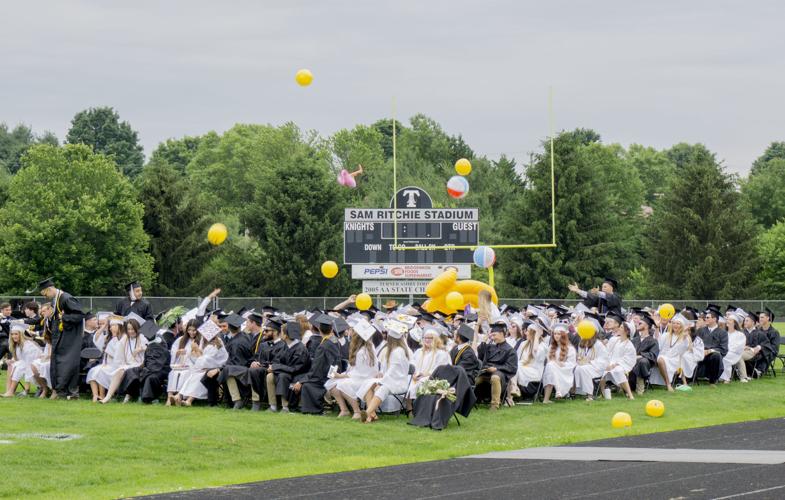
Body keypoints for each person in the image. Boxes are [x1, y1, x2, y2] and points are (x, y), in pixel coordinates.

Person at [30, 278, 85, 399]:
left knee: (67, 364)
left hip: (70, 338)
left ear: (49, 289)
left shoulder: (66, 298)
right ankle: (61, 391)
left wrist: (64, 317)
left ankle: (71, 392)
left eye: (45, 294)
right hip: (61, 337)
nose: (45, 297)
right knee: (59, 364)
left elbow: (80, 315)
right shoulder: (56, 299)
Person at [358, 324, 411, 423]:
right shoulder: (391, 351)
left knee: (383, 388)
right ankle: (372, 415)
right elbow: (386, 369)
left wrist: (381, 382)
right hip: (390, 380)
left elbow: (393, 371)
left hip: (398, 382)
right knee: (369, 384)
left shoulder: (398, 351)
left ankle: (368, 412)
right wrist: (381, 374)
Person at [292, 316, 343, 414]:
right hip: (333, 373)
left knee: (306, 384)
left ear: (319, 329)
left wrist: (302, 381)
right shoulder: (335, 342)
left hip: (324, 377)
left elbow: (316, 369)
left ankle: (312, 410)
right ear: (331, 329)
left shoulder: (323, 346)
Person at [332, 322, 378, 420]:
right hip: (366, 377)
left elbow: (358, 374)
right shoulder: (370, 347)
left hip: (364, 379)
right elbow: (356, 370)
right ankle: (344, 410)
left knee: (341, 385)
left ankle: (356, 411)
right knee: (333, 384)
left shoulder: (361, 352)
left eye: (352, 332)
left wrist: (341, 376)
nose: (350, 334)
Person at [176, 325, 229, 406]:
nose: (202, 335)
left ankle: (189, 400)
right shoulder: (203, 341)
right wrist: (194, 351)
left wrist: (197, 350)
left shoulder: (216, 344)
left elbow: (207, 360)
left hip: (216, 368)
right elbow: (201, 358)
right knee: (193, 374)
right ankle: (179, 396)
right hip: (204, 367)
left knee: (198, 376)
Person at [266, 319, 310, 412]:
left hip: (298, 376)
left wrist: (276, 368)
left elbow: (295, 368)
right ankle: (273, 405)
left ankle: (285, 407)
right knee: (270, 376)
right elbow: (278, 361)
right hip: (287, 372)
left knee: (282, 376)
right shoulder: (285, 346)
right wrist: (272, 368)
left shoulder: (300, 349)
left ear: (286, 335)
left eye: (281, 332)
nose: (280, 334)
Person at [100, 319, 148, 403]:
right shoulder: (125, 339)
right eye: (128, 329)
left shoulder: (142, 337)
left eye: (132, 329)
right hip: (128, 364)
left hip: (139, 364)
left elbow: (148, 347)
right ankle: (108, 396)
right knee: (120, 371)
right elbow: (119, 354)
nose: (130, 331)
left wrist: (141, 348)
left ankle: (121, 396)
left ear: (137, 328)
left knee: (124, 371)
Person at [475, 321, 518, 411]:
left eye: (494, 335)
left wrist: (496, 368)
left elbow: (512, 367)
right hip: (487, 372)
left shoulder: (510, 350)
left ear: (502, 334)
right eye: (492, 335)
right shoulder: (491, 347)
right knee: (475, 379)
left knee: (495, 377)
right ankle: (471, 401)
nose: (493, 338)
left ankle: (495, 405)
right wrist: (484, 340)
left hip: (501, 374)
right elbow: (481, 355)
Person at [406, 327, 450, 411]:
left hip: (432, 377)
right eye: (425, 338)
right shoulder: (419, 351)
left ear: (436, 339)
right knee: (408, 380)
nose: (427, 340)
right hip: (417, 375)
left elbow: (440, 369)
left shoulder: (441, 353)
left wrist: (424, 374)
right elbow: (412, 363)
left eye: (430, 338)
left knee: (421, 382)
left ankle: (420, 408)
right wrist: (415, 374)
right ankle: (409, 408)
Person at [215, 314, 254, 410]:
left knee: (226, 371)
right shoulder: (244, 336)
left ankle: (233, 400)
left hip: (241, 371)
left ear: (229, 327)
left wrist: (220, 368)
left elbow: (236, 362)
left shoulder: (236, 343)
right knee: (225, 370)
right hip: (244, 367)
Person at [650, 313, 691, 391]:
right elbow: (658, 342)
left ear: (681, 326)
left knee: (661, 359)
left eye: (678, 324)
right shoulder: (666, 335)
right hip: (663, 356)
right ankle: (668, 384)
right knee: (660, 359)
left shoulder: (684, 337)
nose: (675, 325)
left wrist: (685, 336)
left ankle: (668, 385)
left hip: (675, 359)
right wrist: (657, 327)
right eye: (674, 323)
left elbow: (684, 349)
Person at [87, 317, 125, 402]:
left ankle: (102, 395)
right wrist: (104, 325)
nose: (110, 328)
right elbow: (96, 339)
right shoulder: (111, 339)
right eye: (110, 326)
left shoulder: (124, 339)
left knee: (101, 371)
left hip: (117, 366)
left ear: (119, 326)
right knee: (93, 371)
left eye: (112, 326)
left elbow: (120, 356)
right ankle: (95, 395)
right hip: (108, 364)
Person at [2, 324, 42, 397]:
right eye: (12, 334)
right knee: (11, 365)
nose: (14, 336)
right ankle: (9, 391)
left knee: (19, 365)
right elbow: (19, 358)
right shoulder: (18, 345)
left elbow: (28, 364)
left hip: (37, 370)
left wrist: (27, 389)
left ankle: (10, 392)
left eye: (16, 334)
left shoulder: (28, 346)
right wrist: (11, 361)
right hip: (27, 366)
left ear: (21, 335)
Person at [167, 320, 200, 405]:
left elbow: (200, 357)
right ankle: (169, 396)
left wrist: (193, 352)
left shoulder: (199, 341)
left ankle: (179, 396)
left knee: (186, 374)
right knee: (172, 373)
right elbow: (173, 351)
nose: (191, 332)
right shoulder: (181, 339)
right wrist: (178, 352)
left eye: (194, 330)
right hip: (181, 363)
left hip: (192, 364)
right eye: (189, 330)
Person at [600, 322, 637, 400]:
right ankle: (603, 393)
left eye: (621, 327)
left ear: (626, 331)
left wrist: (614, 365)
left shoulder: (629, 346)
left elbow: (627, 359)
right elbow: (607, 352)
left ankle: (630, 395)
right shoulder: (614, 340)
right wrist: (607, 363)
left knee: (618, 371)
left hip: (621, 365)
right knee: (602, 369)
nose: (619, 329)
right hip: (610, 361)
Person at [541, 323, 577, 403]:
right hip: (552, 370)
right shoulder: (551, 347)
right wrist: (555, 363)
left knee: (551, 367)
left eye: (559, 334)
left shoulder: (570, 348)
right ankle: (557, 391)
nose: (556, 336)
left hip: (564, 371)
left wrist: (562, 364)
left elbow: (572, 364)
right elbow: (548, 360)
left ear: (563, 335)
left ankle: (546, 399)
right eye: (555, 334)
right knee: (550, 366)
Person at [573, 329, 609, 401]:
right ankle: (574, 392)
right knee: (576, 368)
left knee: (584, 369)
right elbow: (580, 356)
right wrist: (580, 360)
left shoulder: (598, 344)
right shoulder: (581, 343)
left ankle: (590, 394)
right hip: (583, 365)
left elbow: (603, 359)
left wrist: (590, 362)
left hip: (596, 367)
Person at [696, 307, 728, 386]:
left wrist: (710, 351)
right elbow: (695, 344)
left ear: (714, 319)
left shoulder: (722, 333)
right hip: (700, 354)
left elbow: (723, 348)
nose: (705, 319)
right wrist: (701, 351)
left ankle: (713, 381)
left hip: (712, 356)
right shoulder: (701, 330)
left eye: (707, 317)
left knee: (716, 355)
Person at [629, 313, 659, 395]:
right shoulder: (634, 340)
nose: (637, 324)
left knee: (642, 361)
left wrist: (640, 356)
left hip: (645, 363)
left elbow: (653, 355)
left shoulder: (653, 341)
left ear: (646, 326)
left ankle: (640, 387)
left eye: (640, 323)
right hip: (631, 362)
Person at [514, 323, 546, 396]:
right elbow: (517, 358)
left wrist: (537, 337)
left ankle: (514, 389)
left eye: (528, 331)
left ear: (533, 333)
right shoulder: (523, 344)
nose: (525, 333)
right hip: (523, 368)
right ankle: (512, 392)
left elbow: (535, 352)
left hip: (535, 371)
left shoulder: (542, 346)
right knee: (515, 366)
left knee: (516, 367)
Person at [740, 312, 771, 379]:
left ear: (753, 322)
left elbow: (766, 344)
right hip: (742, 351)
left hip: (755, 354)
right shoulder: (741, 332)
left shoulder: (760, 333)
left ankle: (746, 375)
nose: (744, 322)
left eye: (747, 321)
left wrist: (759, 347)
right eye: (744, 320)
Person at [721, 311, 747, 383]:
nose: (727, 321)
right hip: (725, 352)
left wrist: (726, 350)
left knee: (724, 358)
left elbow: (738, 348)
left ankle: (726, 378)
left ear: (734, 323)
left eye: (730, 320)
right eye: (727, 320)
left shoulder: (740, 335)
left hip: (735, 354)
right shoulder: (724, 334)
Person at [756, 308, 780, 373]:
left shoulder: (774, 332)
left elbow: (774, 348)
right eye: (760, 317)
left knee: (764, 354)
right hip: (758, 351)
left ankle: (759, 371)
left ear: (767, 318)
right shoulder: (758, 331)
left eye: (762, 317)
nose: (760, 319)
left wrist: (763, 349)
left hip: (770, 352)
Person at [32, 327, 53, 398]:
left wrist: (46, 357)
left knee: (45, 365)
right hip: (46, 358)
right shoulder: (47, 342)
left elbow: (50, 354)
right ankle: (44, 387)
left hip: (52, 360)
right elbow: (46, 353)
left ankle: (52, 389)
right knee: (33, 365)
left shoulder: (53, 341)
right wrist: (42, 356)